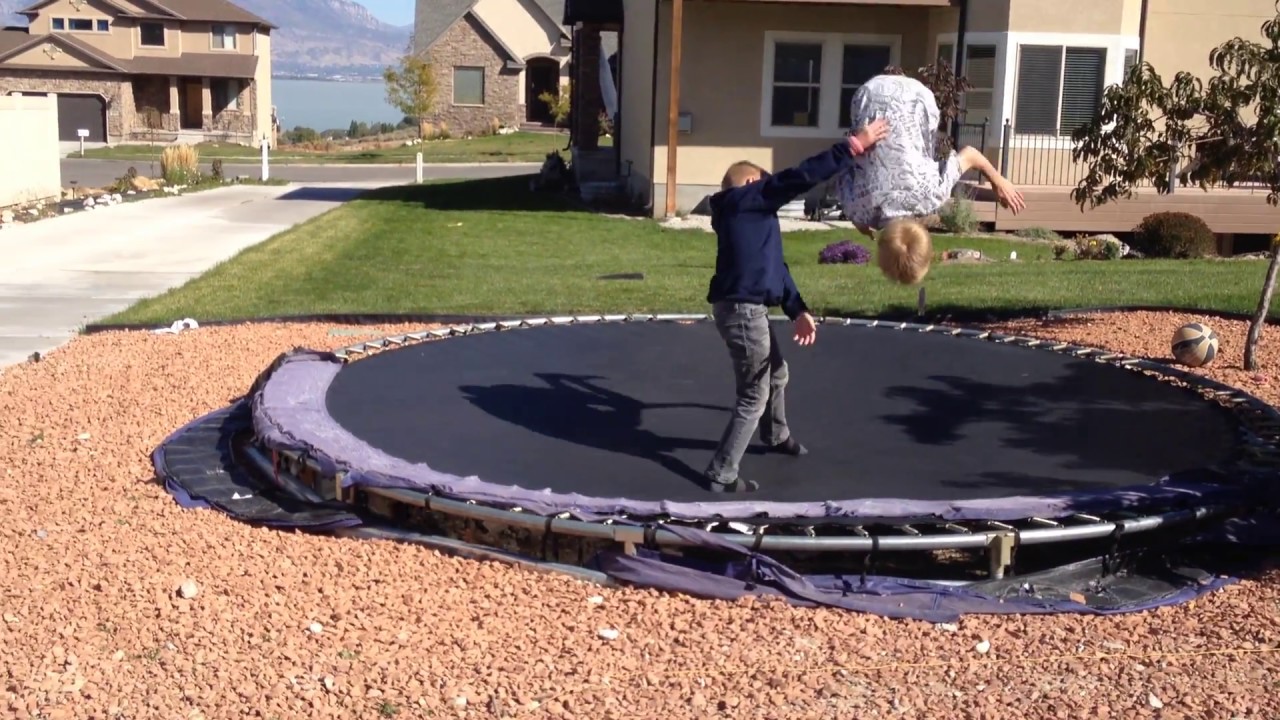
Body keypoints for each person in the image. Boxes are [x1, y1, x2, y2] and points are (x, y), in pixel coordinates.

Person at [702, 119, 890, 493]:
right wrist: (853, 145)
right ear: (754, 183)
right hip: (743, 311)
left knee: (778, 373)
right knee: (753, 394)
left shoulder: (750, 220)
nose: (775, 191)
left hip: (746, 309)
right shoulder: (746, 201)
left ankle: (775, 435)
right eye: (767, 183)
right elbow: (800, 176)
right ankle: (722, 472)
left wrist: (798, 310)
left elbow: (777, 272)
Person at [834, 72, 1026, 236]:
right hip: (872, 94)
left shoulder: (931, 194)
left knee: (918, 146)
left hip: (914, 97)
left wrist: (998, 181)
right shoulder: (858, 207)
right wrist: (861, 224)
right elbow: (840, 174)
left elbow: (970, 154)